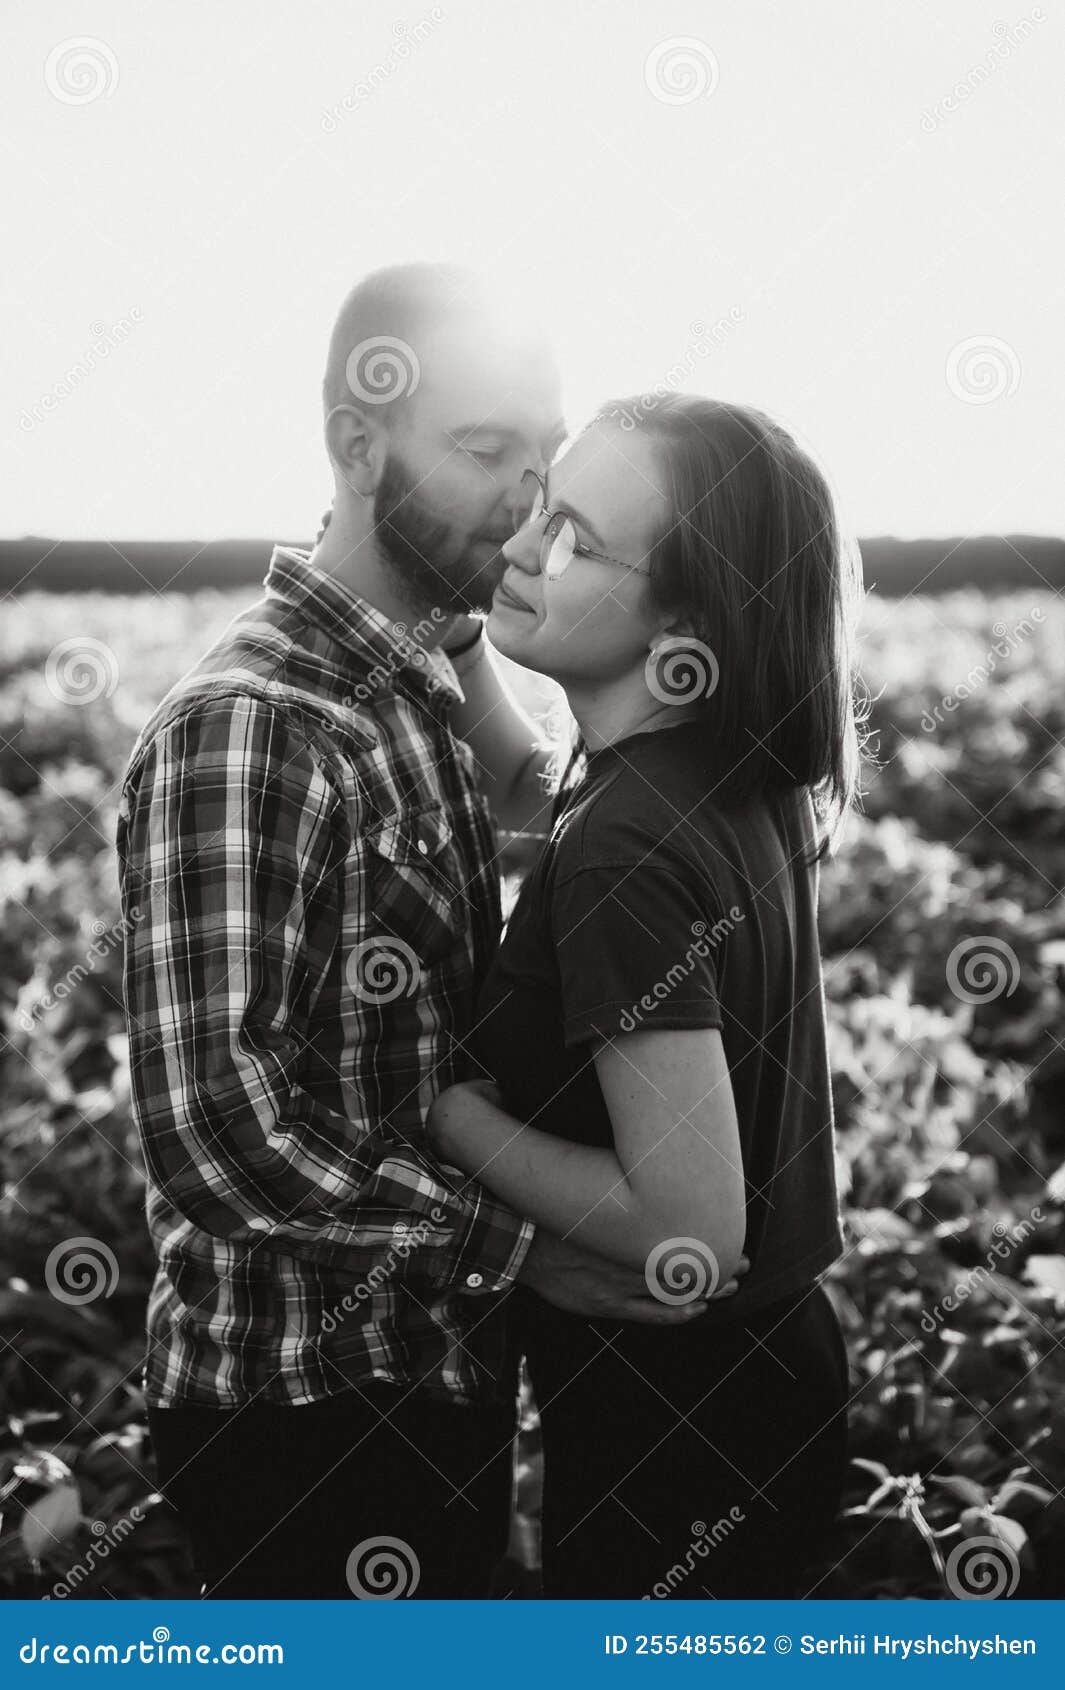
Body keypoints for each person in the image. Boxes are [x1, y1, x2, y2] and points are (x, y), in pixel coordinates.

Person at [116, 266, 742, 1601]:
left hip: (435, 1364)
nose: (527, 497)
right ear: (358, 440)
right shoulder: (253, 724)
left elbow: (553, 812)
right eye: (482, 450)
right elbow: (219, 1130)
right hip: (297, 1401)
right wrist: (524, 1245)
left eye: (543, 451)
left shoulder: (418, 673)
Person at [429, 393, 863, 1598]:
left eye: (572, 536)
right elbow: (536, 786)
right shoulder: (721, 768)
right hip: (769, 1378)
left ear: (687, 615)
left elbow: (688, 1228)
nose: (521, 546)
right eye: (536, 507)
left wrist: (450, 1118)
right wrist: (466, 645)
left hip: (674, 1423)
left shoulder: (629, 844)